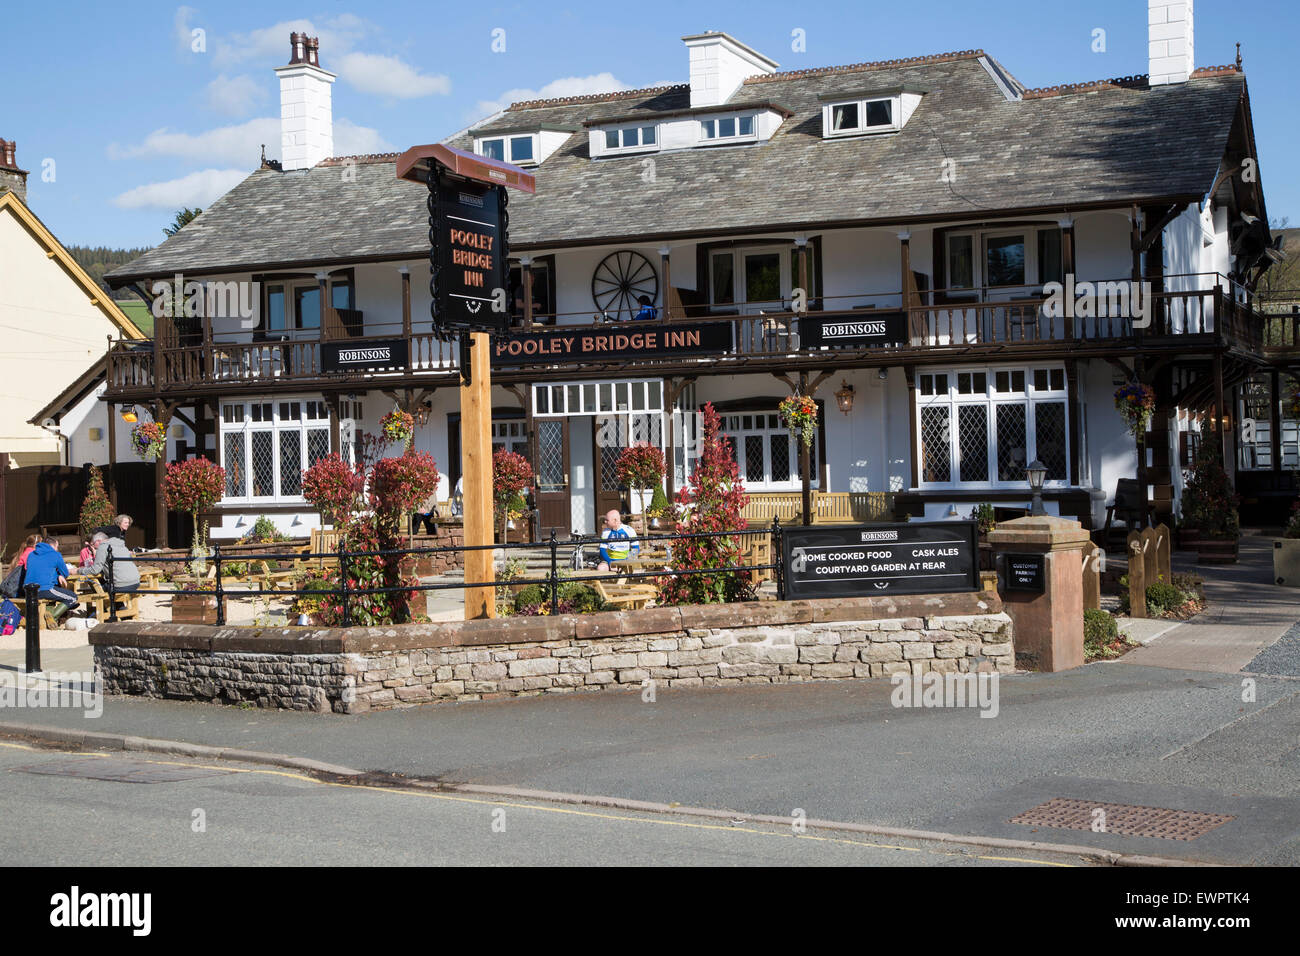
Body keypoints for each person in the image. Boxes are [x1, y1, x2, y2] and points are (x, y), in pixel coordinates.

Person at [23, 536, 78, 619]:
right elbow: (65, 573)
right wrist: (60, 575)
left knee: (55, 591)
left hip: (27, 590)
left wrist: (57, 575)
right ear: (53, 545)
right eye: (57, 547)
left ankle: (50, 614)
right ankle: (52, 617)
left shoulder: (31, 554)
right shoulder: (55, 554)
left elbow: (40, 570)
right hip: (44, 589)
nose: (57, 549)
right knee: (73, 598)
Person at [86, 530, 140, 598]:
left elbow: (95, 570)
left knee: (95, 586)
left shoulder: (102, 547)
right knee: (106, 584)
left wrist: (78, 570)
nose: (93, 547)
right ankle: (120, 607)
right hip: (136, 582)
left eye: (93, 544)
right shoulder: (122, 546)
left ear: (98, 541)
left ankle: (115, 607)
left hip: (122, 585)